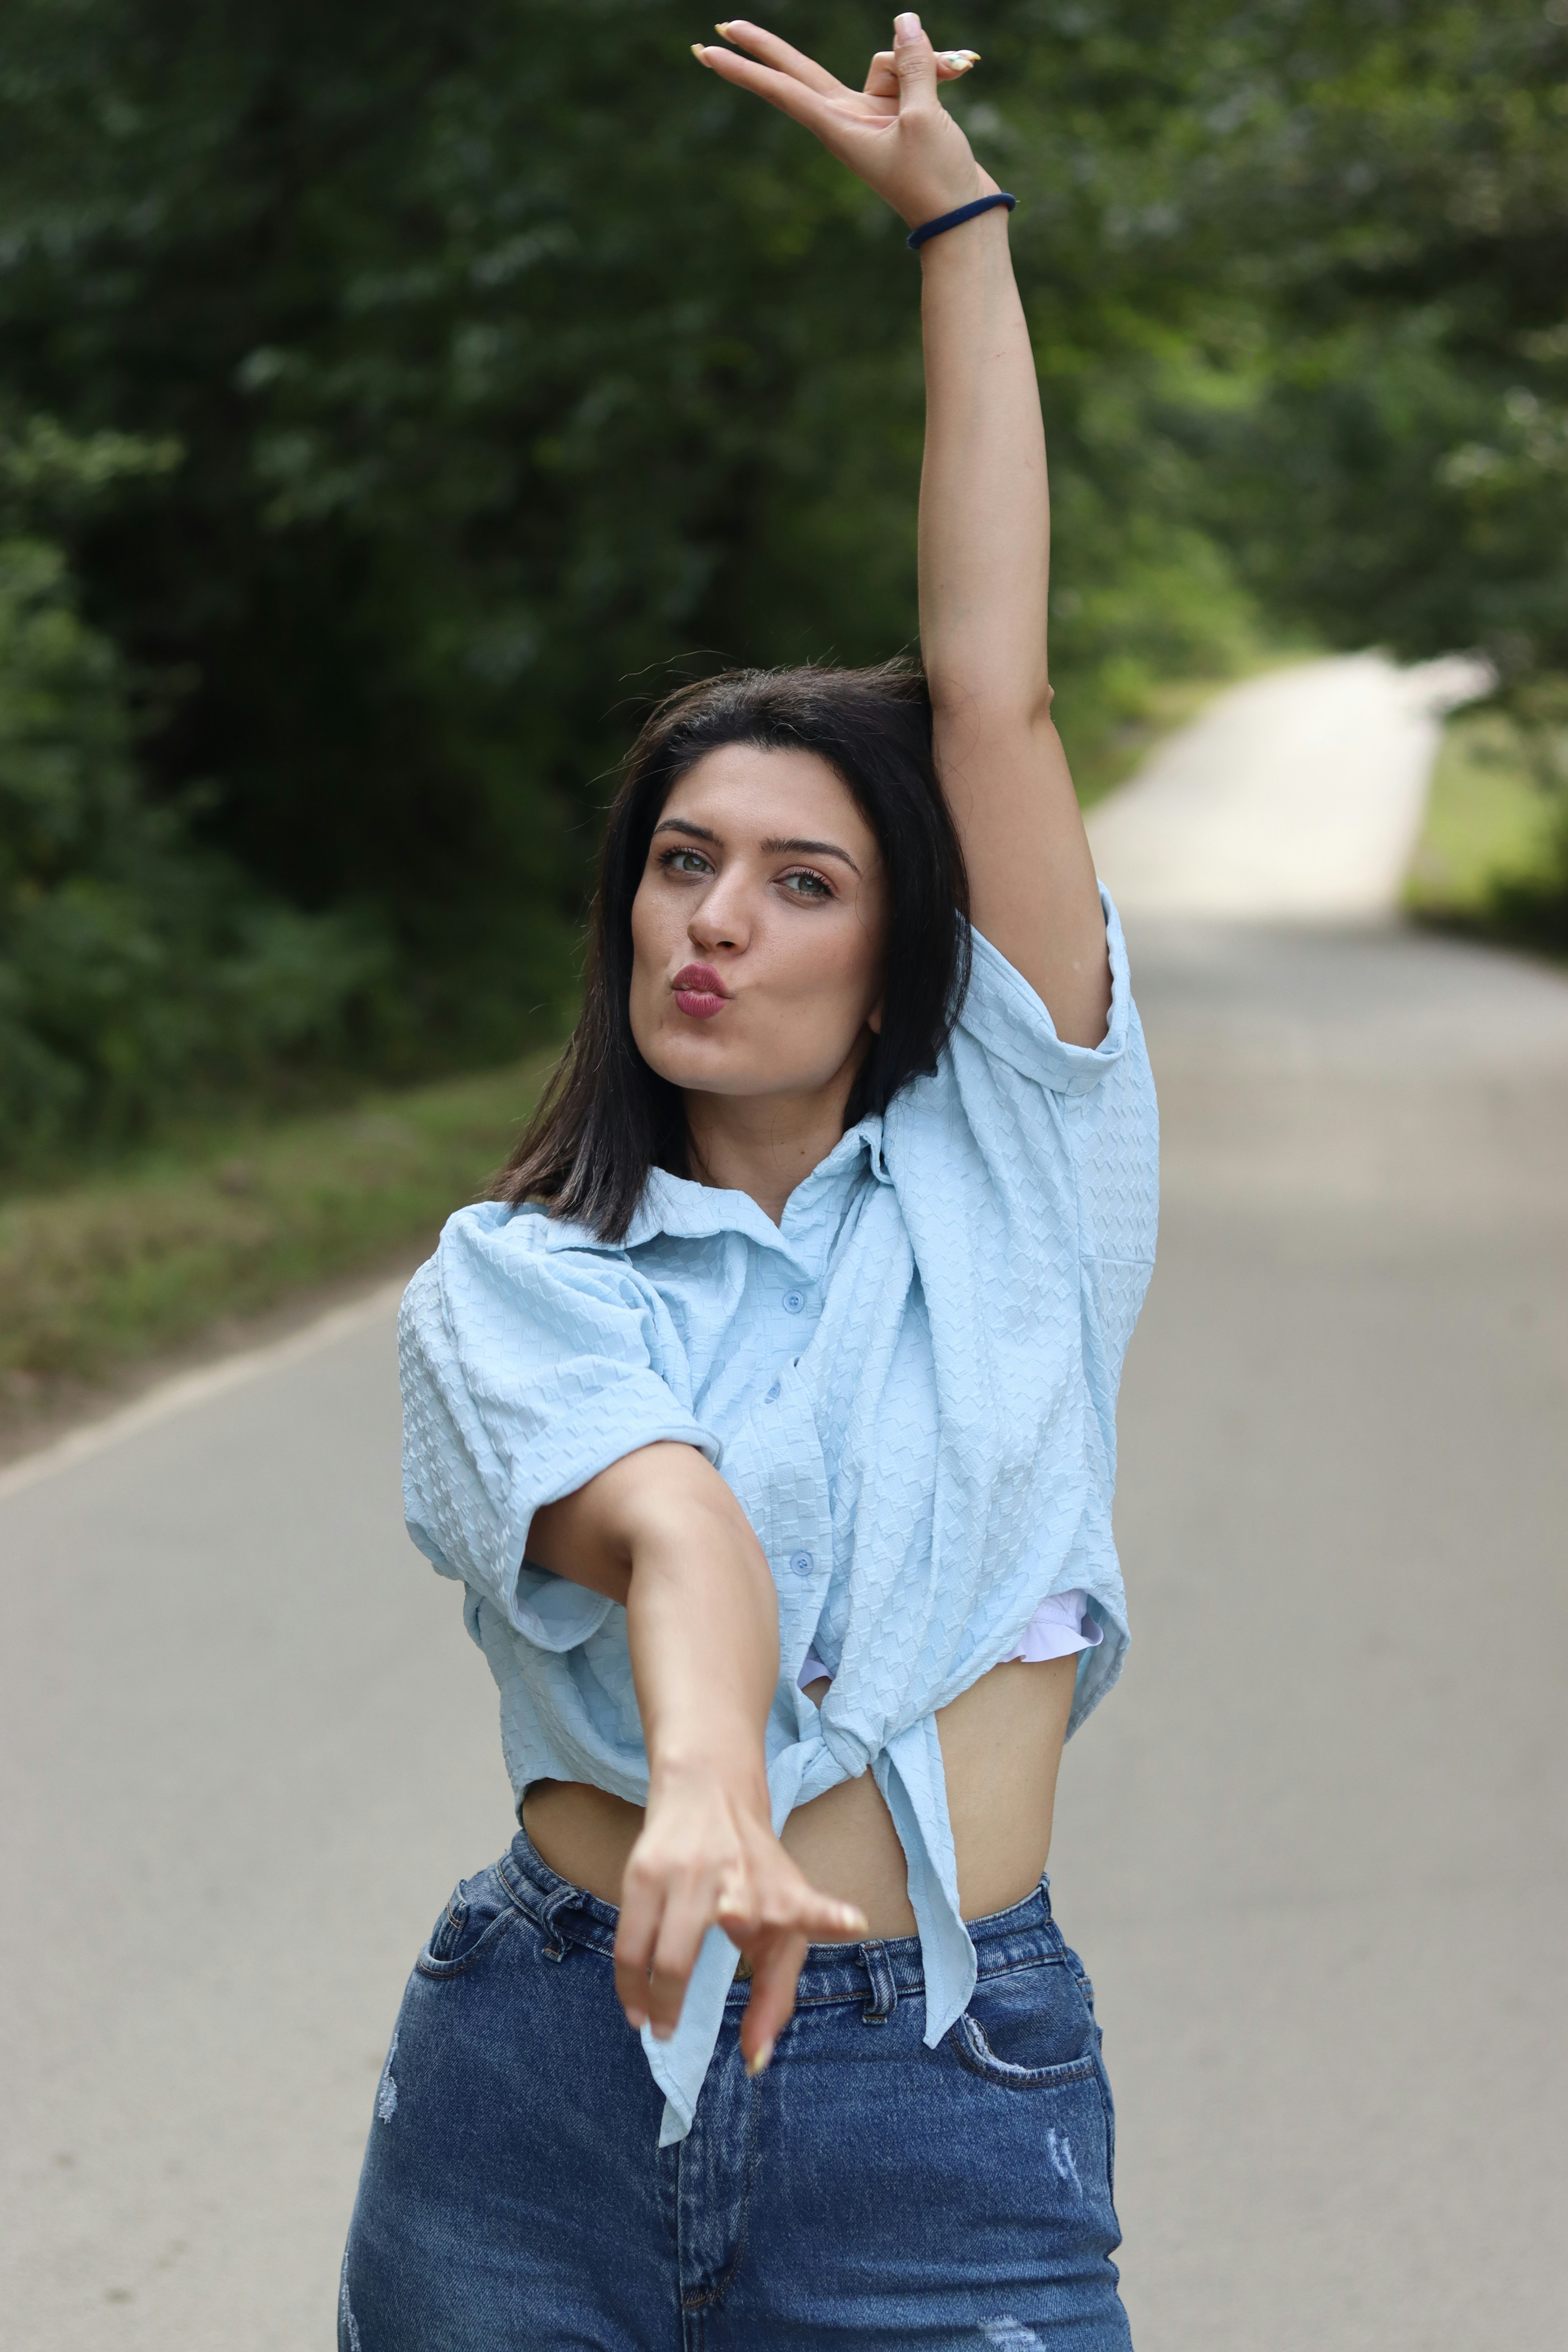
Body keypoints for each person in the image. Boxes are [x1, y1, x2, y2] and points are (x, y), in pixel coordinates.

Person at [339, 16, 1157, 2348]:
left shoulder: (1026, 1170)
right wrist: (704, 1780)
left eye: (804, 880)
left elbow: (986, 691)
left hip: (942, 2096)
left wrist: (955, 230)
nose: (718, 916)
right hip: (542, 2073)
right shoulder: (517, 1275)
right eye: (684, 861)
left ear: (916, 939)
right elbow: (673, 1514)